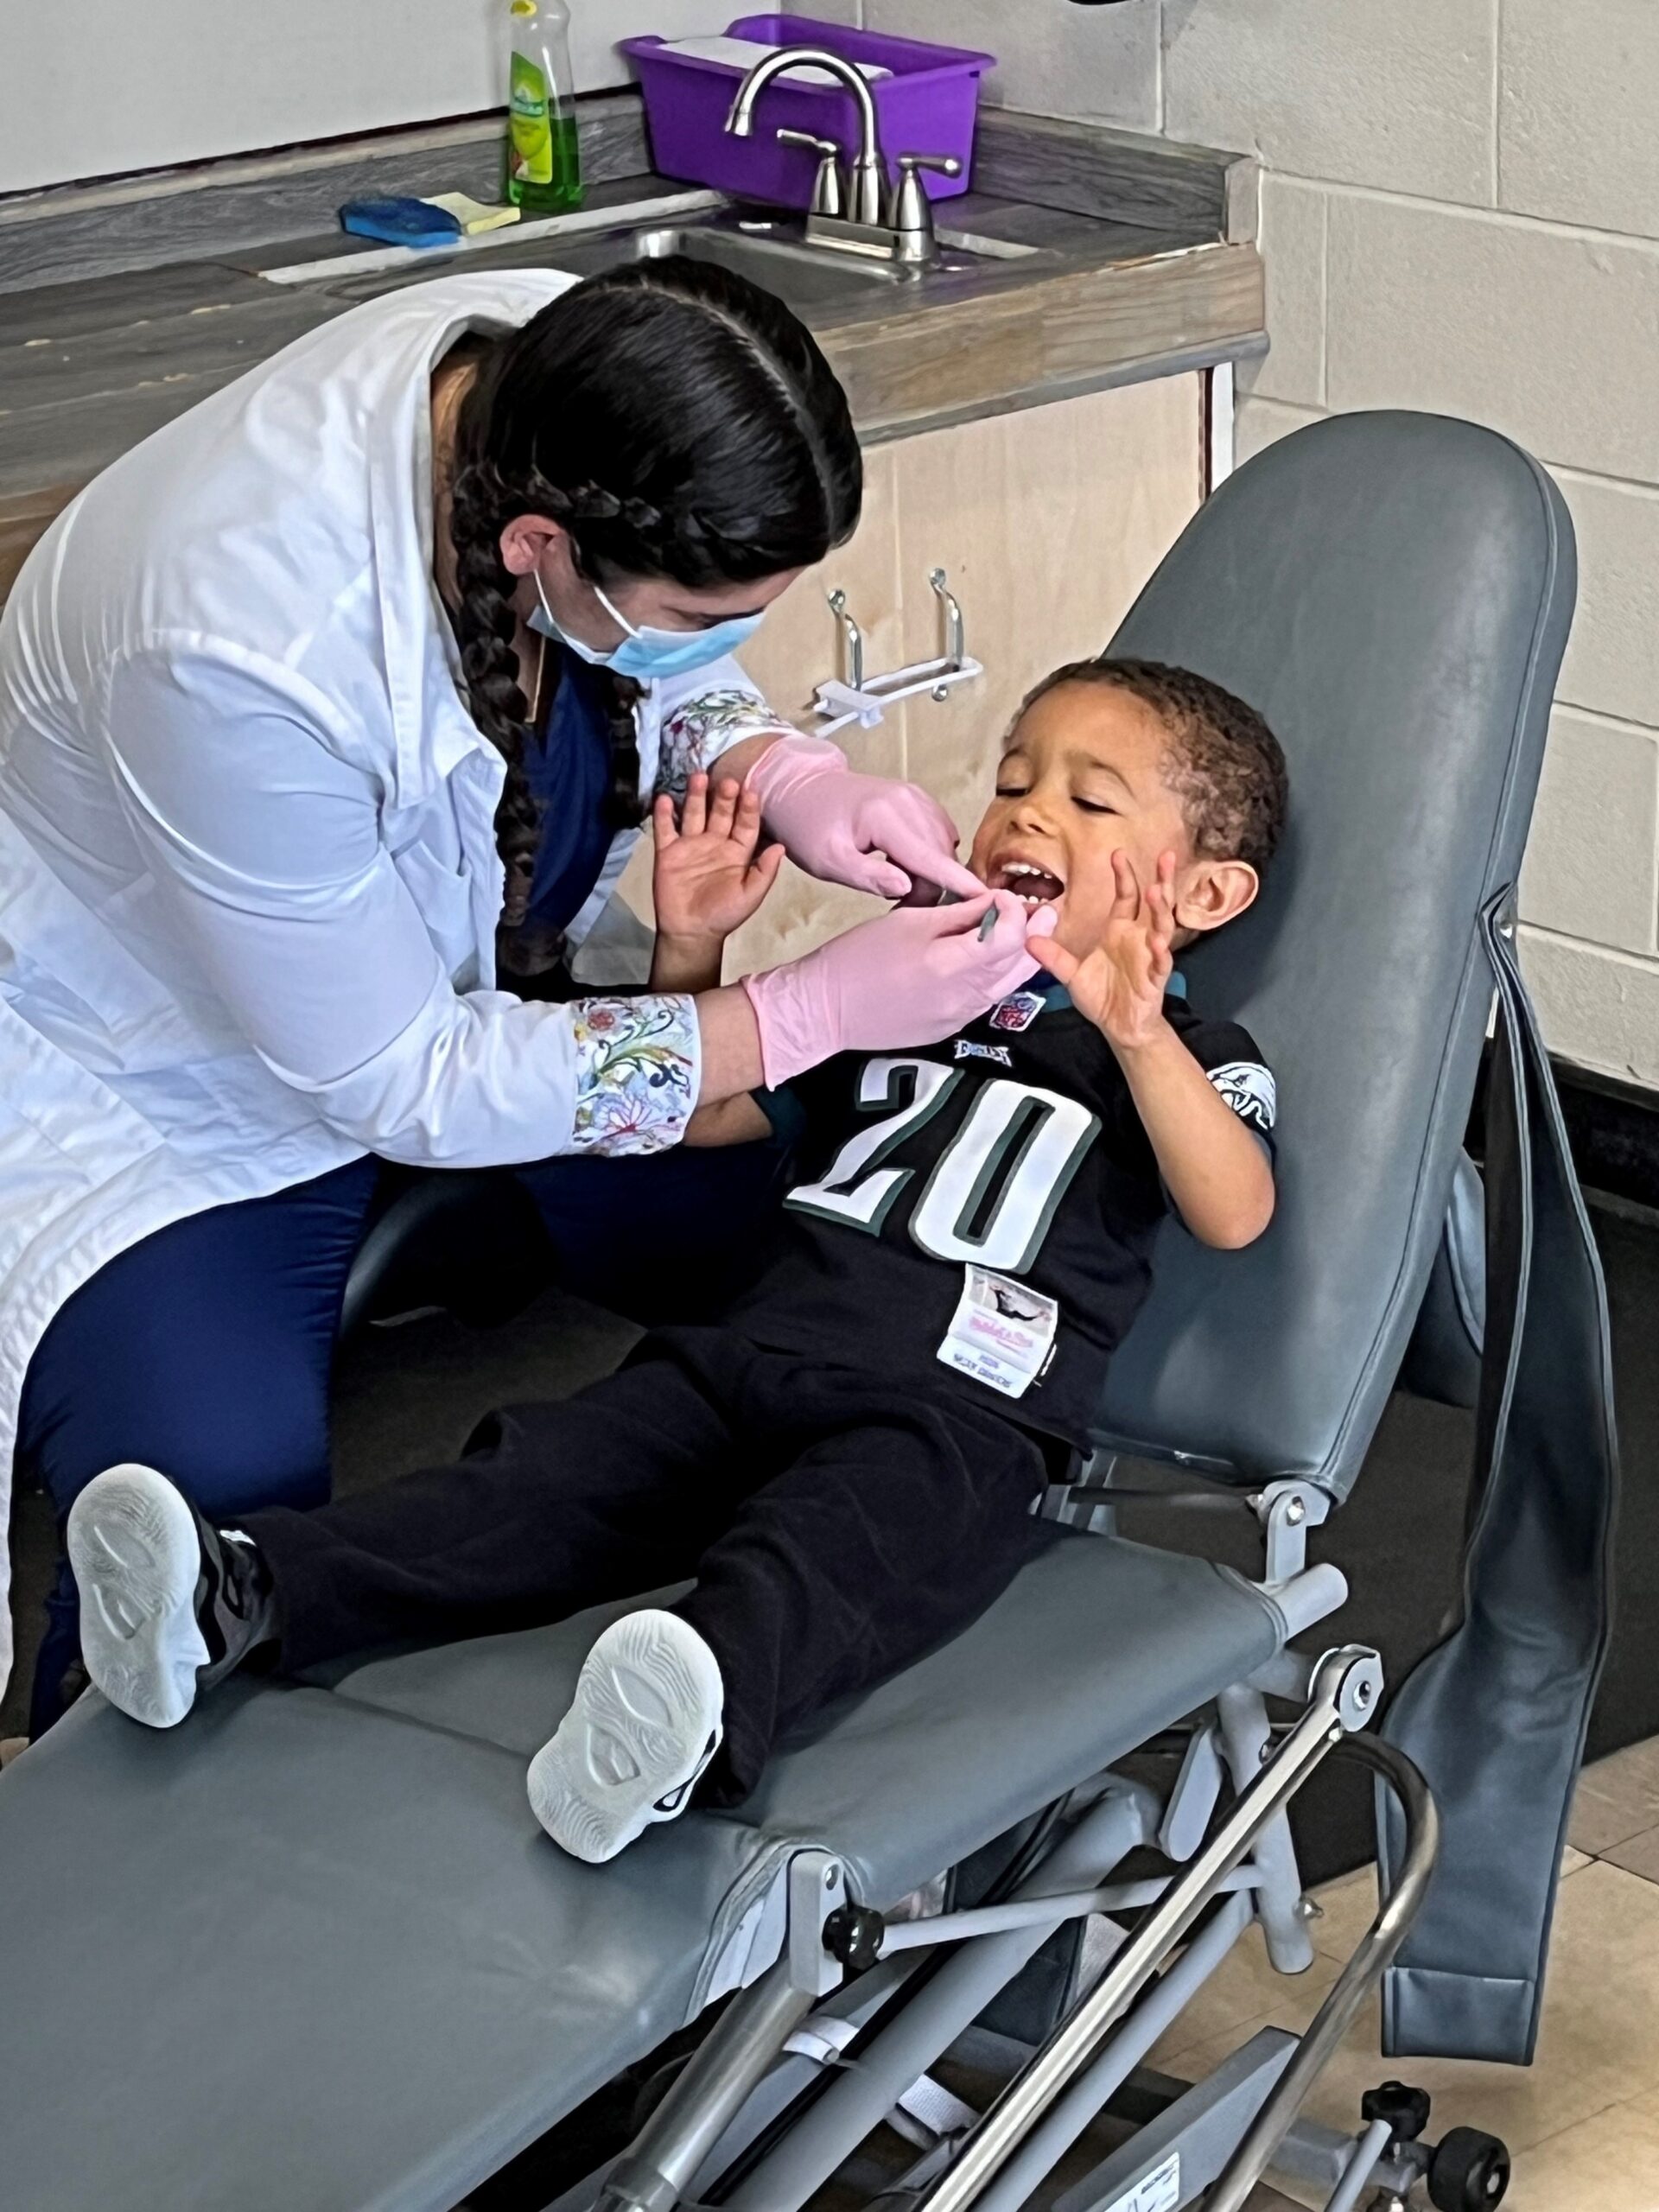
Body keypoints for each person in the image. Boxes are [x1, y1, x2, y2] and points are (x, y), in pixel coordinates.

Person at [0, 255, 1032, 1731]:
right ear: (538, 545)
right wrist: (799, 1013)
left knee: (745, 1215)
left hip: (458, 974)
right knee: (213, 1501)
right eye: (707, 613)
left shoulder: (563, 372)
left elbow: (655, 648)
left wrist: (780, 769)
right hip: (169, 1072)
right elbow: (402, 1076)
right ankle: (89, 1834)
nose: (725, 645)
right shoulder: (228, 644)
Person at [68, 655, 1286, 1863]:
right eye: (1014, 781)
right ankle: (236, 1595)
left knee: (830, 1555)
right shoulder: (908, 989)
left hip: (953, 1413)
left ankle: (680, 1726)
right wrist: (691, 947)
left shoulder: (1191, 1053)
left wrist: (1138, 1035)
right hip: (743, 1353)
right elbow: (704, 1114)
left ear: (1207, 894)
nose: (1027, 812)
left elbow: (1233, 1207)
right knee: (532, 1482)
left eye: (1089, 798)